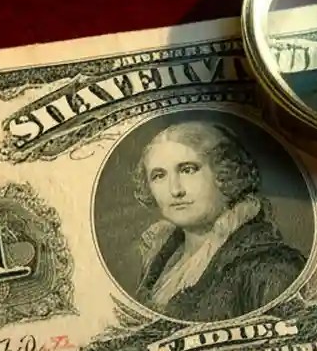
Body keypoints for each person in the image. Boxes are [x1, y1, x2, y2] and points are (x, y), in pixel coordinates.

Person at [130, 120, 307, 322]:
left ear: (225, 174)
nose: (175, 190)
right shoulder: (160, 260)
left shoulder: (272, 266)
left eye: (188, 170)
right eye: (159, 175)